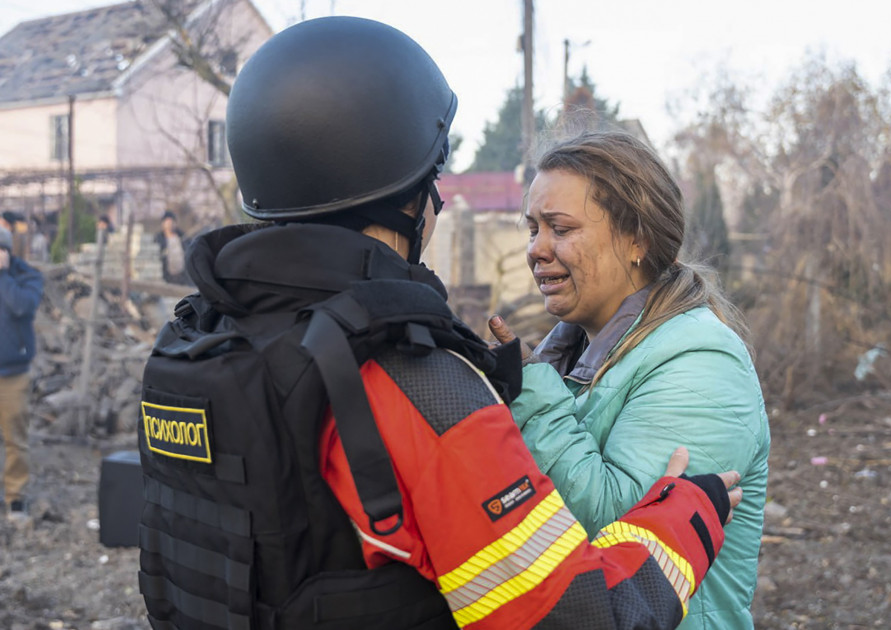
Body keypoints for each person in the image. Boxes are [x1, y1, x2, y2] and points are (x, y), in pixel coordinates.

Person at [142, 17, 744, 629]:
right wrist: (686, 512)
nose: (438, 204)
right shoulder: (416, 384)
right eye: (432, 183)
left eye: (558, 228)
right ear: (410, 199)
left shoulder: (196, 345)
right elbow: (582, 619)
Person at [489, 131, 771, 629]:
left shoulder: (701, 360)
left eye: (560, 228)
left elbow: (624, 537)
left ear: (636, 238)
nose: (537, 249)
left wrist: (527, 393)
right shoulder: (572, 357)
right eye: (533, 228)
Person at [0, 225, 44, 522]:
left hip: (13, 374)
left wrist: (3, 275)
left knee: (15, 438)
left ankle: (15, 498)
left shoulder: (26, 275)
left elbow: (22, 307)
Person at [153, 210, 188, 284]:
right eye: (167, 222)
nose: (170, 224)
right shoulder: (158, 239)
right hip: (165, 277)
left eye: (172, 222)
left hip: (182, 277)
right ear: (163, 223)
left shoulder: (183, 238)